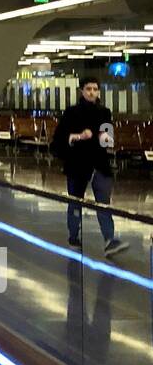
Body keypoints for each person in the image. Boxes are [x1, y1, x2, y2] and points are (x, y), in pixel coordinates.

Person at [50, 76, 127, 256]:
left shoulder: (104, 113)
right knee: (75, 201)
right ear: (82, 91)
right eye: (88, 89)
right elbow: (59, 139)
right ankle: (74, 235)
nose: (92, 92)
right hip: (77, 164)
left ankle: (109, 240)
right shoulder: (71, 113)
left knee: (104, 204)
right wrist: (77, 136)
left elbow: (106, 140)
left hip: (99, 164)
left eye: (95, 89)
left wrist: (104, 138)